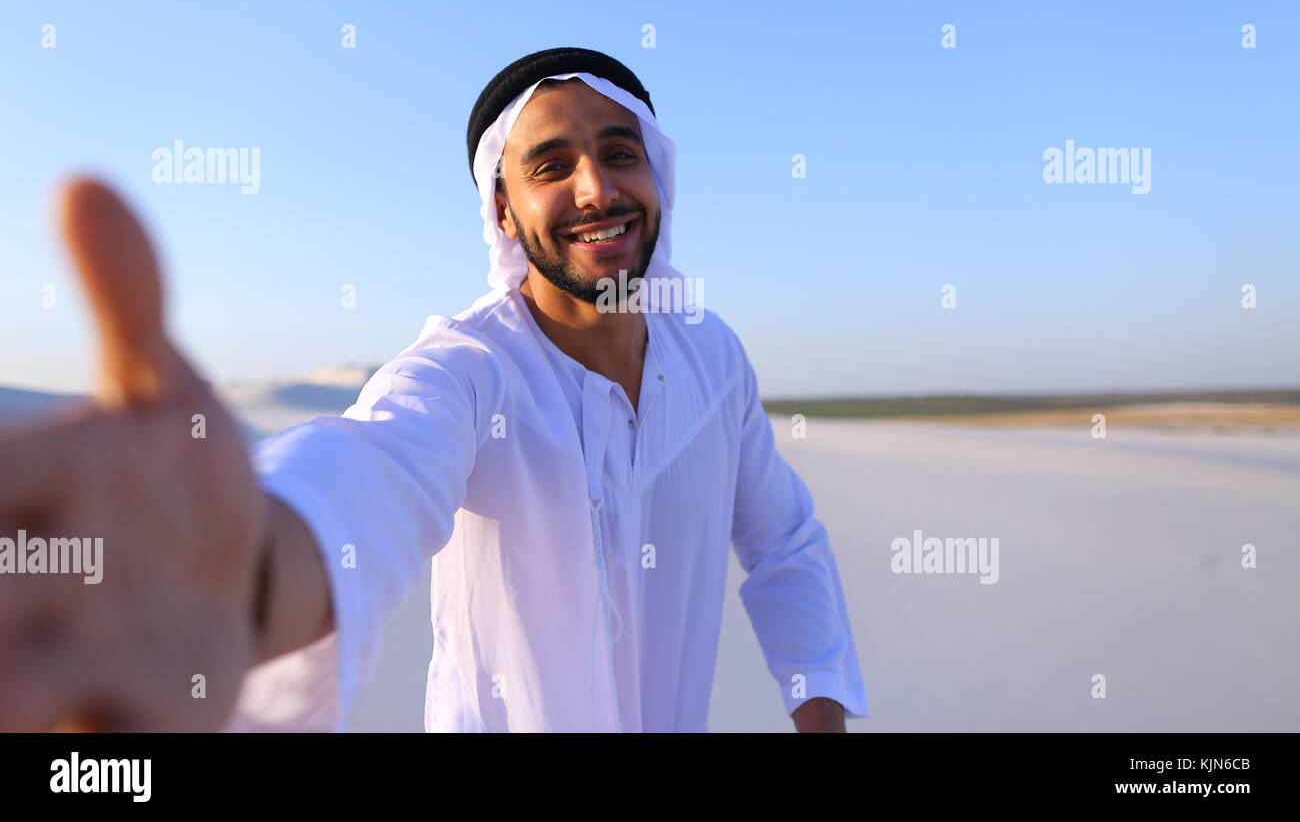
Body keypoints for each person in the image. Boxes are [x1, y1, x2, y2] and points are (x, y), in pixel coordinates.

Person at [0, 47, 867, 732]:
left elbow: (785, 543)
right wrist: (251, 575)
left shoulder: (714, 359)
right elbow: (372, 473)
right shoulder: (469, 370)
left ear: (658, 177)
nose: (596, 188)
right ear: (502, 213)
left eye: (619, 154)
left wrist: (819, 713)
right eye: (552, 166)